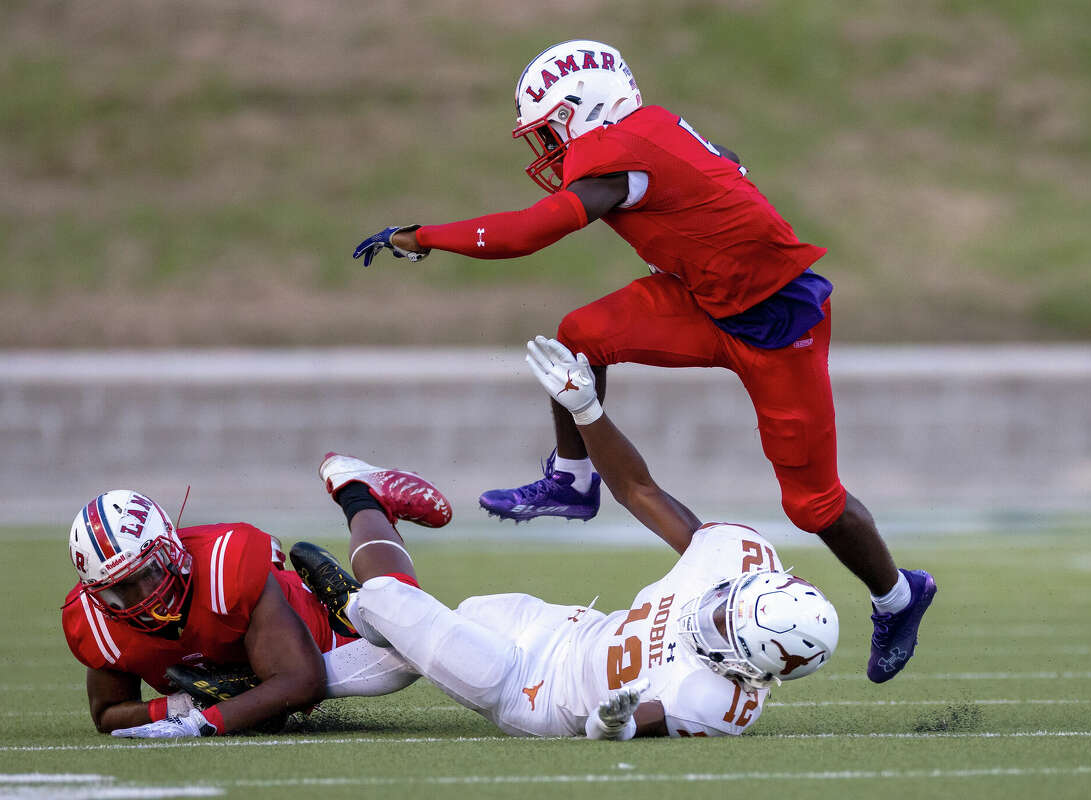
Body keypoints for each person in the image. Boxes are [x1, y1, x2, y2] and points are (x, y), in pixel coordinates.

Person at [352, 40, 935, 683]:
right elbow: (725, 162)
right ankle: (572, 479)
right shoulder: (651, 131)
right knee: (578, 338)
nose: (548, 145)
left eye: (551, 127)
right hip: (705, 300)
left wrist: (423, 235)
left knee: (814, 505)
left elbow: (525, 233)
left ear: (585, 109)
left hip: (776, 325)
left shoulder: (617, 156)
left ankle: (898, 596)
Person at [295, 336, 840, 740]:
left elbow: (617, 726)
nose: (713, 613)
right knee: (394, 646)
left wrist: (617, 723)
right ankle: (285, 677)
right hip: (555, 625)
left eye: (724, 627)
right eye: (727, 606)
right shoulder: (734, 557)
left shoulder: (714, 702)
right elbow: (640, 491)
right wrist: (587, 410)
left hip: (531, 691)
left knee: (391, 602)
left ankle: (356, 514)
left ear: (748, 669)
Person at [61, 468, 450, 738]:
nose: (144, 597)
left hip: (319, 640)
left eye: (149, 572)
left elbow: (302, 681)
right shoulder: (94, 621)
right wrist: (183, 705)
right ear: (95, 592)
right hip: (273, 673)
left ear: (173, 548)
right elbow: (108, 714)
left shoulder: (226, 567)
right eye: (120, 589)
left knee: (402, 620)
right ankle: (356, 607)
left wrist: (202, 720)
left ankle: (358, 497)